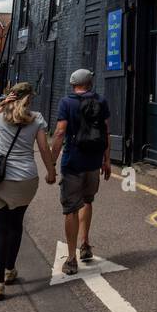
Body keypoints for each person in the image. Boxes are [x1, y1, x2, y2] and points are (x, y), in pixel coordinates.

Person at [0, 82, 55, 301]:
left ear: (12, 97)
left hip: (2, 179)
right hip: (26, 179)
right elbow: (44, 149)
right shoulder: (37, 119)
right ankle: (10, 270)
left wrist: (2, 104)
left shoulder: (1, 117)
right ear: (29, 98)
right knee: (16, 225)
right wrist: (51, 172)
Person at [51, 68, 111, 275]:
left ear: (73, 84)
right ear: (89, 83)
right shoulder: (101, 101)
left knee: (70, 209)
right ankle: (85, 244)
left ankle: (71, 258)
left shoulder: (66, 103)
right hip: (93, 162)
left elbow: (59, 132)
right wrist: (107, 159)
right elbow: (105, 130)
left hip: (73, 162)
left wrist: (51, 162)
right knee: (88, 201)